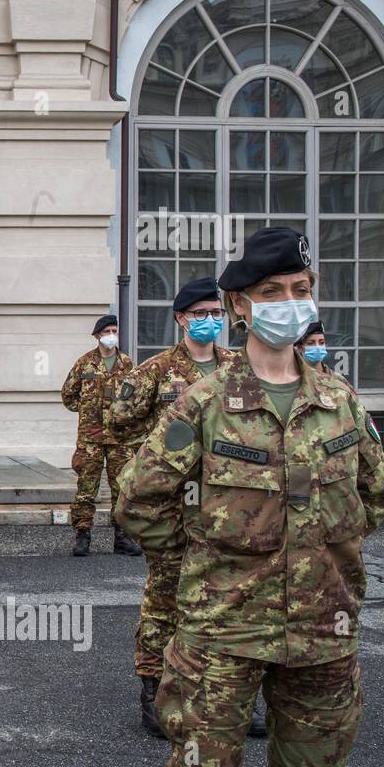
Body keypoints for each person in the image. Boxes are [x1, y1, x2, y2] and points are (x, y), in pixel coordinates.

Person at [115, 226, 384, 767]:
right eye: (271, 291)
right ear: (240, 306)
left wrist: (328, 557)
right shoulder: (206, 401)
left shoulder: (340, 402)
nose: (290, 303)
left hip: (323, 632)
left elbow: (375, 495)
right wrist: (201, 556)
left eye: (300, 287)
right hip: (223, 631)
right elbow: (140, 497)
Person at [108, 277, 234, 737]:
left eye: (216, 313)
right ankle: (154, 690)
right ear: (182, 318)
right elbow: (119, 427)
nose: (210, 321)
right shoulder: (153, 372)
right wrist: (142, 485)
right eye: (200, 313)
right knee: (164, 601)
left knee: (229, 602)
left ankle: (225, 695)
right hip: (173, 510)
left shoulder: (238, 369)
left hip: (228, 511)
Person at [61, 315, 142, 557]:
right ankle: (82, 535)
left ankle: (122, 538)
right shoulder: (85, 363)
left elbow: (138, 396)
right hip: (91, 437)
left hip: (120, 438)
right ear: (97, 335)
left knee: (122, 488)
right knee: (86, 489)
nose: (111, 335)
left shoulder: (127, 364)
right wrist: (87, 412)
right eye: (106, 330)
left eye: (114, 330)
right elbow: (68, 395)